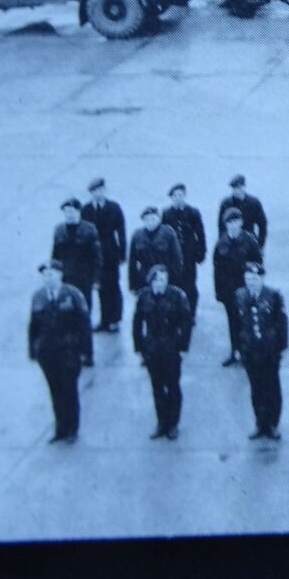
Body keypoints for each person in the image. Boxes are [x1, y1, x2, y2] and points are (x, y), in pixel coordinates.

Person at [28, 260, 92, 444]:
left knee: (69, 391)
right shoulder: (38, 297)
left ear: (60, 275)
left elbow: (84, 325)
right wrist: (33, 349)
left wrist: (86, 352)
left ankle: (72, 429)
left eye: (52, 274)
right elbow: (33, 325)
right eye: (45, 275)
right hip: (47, 353)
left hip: (69, 352)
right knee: (55, 391)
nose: (48, 278)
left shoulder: (72, 295)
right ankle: (60, 429)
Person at [131, 262, 192, 439]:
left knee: (172, 387)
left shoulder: (177, 296)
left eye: (163, 280)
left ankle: (173, 424)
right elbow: (137, 324)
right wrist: (139, 348)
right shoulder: (144, 297)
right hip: (152, 350)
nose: (160, 283)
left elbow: (186, 323)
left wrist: (183, 347)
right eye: (156, 280)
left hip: (171, 348)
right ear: (151, 282)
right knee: (157, 388)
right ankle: (161, 423)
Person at [234, 262, 288, 440]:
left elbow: (282, 323)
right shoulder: (240, 296)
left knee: (272, 388)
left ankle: (272, 424)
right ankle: (260, 423)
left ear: (262, 278)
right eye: (248, 278)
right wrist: (238, 349)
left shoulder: (273, 296)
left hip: (269, 350)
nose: (251, 282)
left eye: (255, 278)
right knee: (256, 389)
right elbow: (237, 326)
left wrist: (281, 347)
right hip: (250, 351)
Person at [212, 208, 263, 366]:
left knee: (248, 321)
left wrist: (255, 288)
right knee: (232, 322)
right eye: (229, 222)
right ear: (225, 224)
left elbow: (259, 265)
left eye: (235, 222)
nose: (233, 225)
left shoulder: (250, 241)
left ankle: (249, 352)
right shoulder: (221, 243)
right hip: (229, 291)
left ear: (241, 222)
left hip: (246, 290)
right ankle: (235, 352)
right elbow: (217, 270)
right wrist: (219, 293)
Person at [82, 177, 127, 333]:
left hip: (110, 251)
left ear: (105, 190)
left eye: (100, 190)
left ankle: (115, 319)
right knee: (100, 287)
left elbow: (121, 232)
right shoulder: (86, 210)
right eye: (94, 191)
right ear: (91, 193)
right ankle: (104, 320)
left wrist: (122, 253)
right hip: (94, 253)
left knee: (113, 286)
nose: (98, 193)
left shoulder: (114, 208)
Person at [52, 198, 102, 335]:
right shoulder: (59, 230)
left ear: (79, 212)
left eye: (73, 211)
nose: (70, 214)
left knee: (84, 310)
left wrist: (96, 280)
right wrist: (53, 277)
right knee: (65, 308)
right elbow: (55, 256)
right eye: (67, 211)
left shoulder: (89, 229)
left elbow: (97, 257)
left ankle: (83, 336)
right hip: (65, 278)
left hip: (84, 278)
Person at [162, 183, 208, 315]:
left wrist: (201, 252)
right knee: (174, 282)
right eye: (175, 195)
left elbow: (200, 234)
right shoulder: (166, 213)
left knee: (190, 284)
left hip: (189, 255)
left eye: (181, 195)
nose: (178, 198)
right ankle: (175, 311)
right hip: (172, 256)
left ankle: (190, 312)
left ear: (185, 196)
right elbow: (163, 234)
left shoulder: (193, 212)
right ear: (171, 197)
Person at [127, 206, 182, 295]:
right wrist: (133, 285)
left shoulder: (168, 233)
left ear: (159, 219)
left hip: (164, 278)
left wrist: (175, 282)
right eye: (147, 219)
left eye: (153, 219)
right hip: (144, 278)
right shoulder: (137, 235)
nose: (150, 222)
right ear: (143, 221)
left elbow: (176, 259)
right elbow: (132, 262)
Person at [219, 174, 268, 248]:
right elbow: (221, 226)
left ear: (244, 187)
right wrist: (223, 243)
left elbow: (262, 224)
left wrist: (260, 244)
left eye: (240, 187)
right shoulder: (226, 204)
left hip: (250, 241)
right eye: (235, 188)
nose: (238, 190)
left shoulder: (254, 203)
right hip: (231, 242)